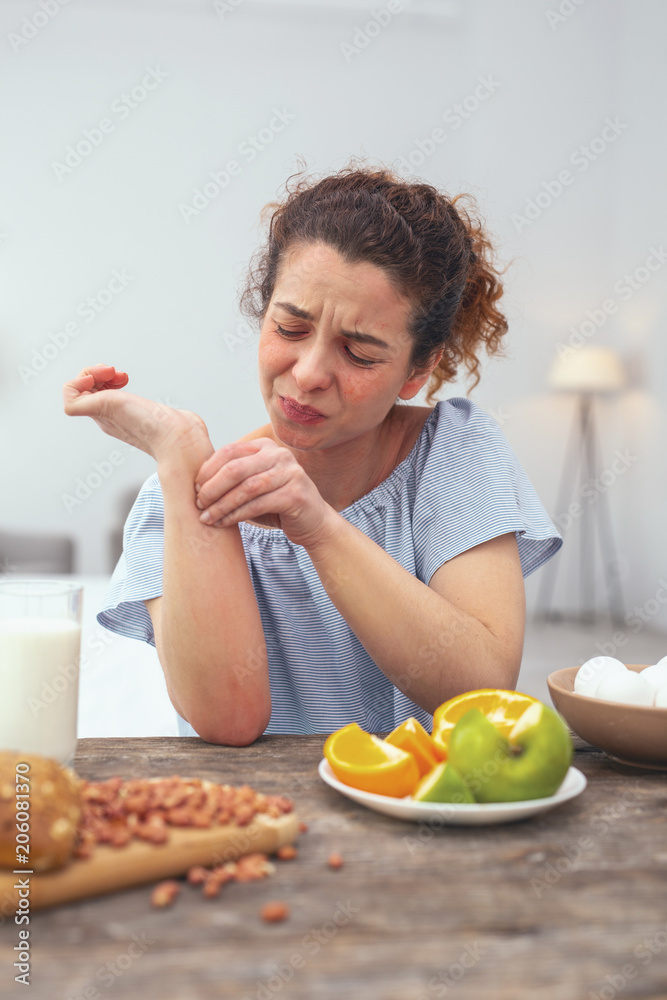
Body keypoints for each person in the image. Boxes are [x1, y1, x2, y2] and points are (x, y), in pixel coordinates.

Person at [62, 160, 562, 746]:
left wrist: (318, 526)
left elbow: (482, 688)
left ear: (417, 370)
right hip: (257, 823)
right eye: (291, 329)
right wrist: (179, 452)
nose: (309, 374)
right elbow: (228, 719)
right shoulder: (172, 500)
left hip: (422, 816)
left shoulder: (451, 452)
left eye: (360, 353)